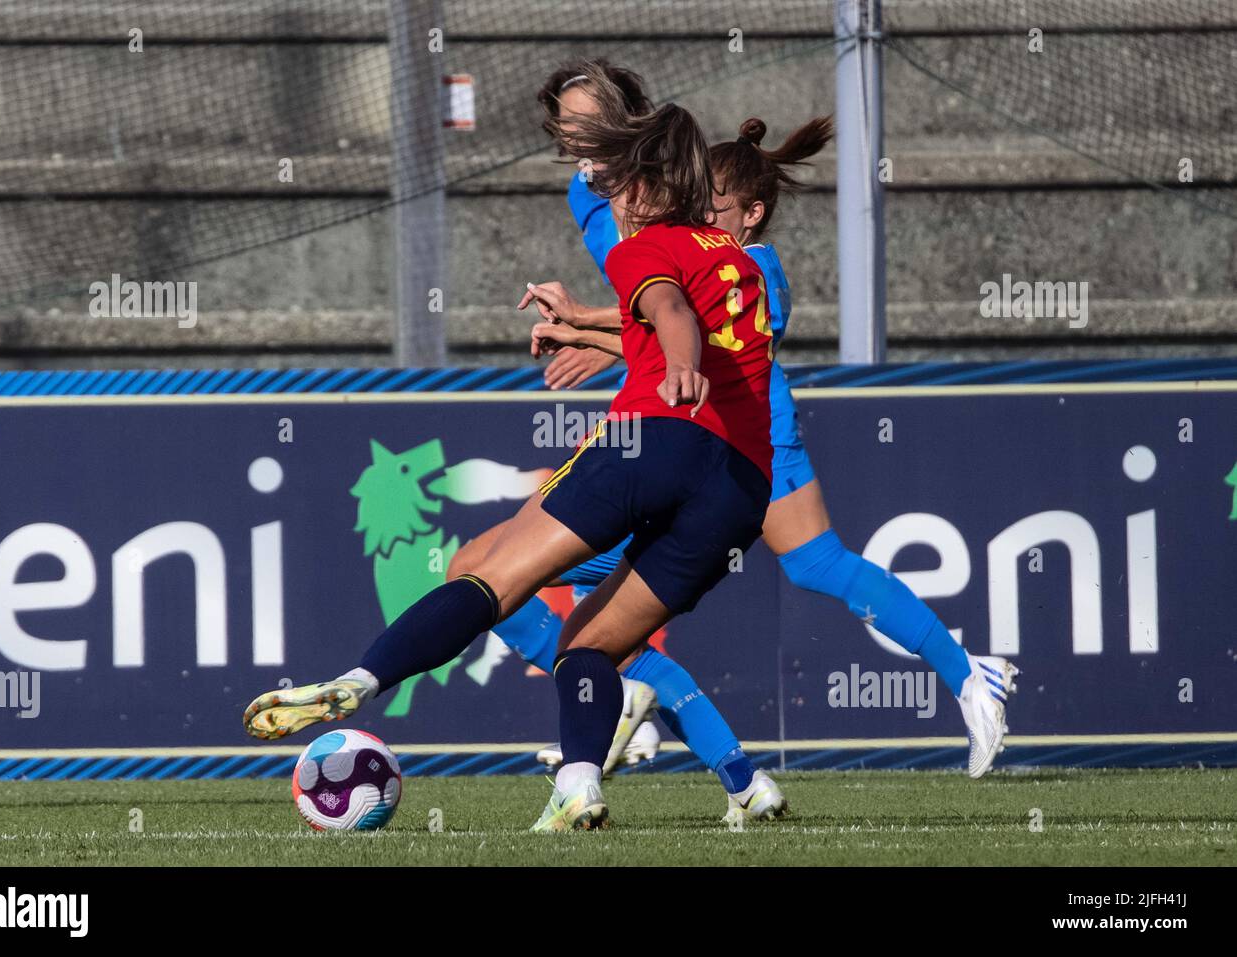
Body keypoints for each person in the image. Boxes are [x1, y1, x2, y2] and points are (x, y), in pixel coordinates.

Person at [244, 62, 776, 833]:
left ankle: (357, 682)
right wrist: (615, 332)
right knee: (588, 641)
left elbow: (665, 306)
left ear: (637, 188)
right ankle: (580, 785)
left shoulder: (643, 246)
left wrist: (678, 355)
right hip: (737, 487)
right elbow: (684, 318)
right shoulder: (735, 258)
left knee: (489, 574)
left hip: (653, 438)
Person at [520, 67, 1018, 780]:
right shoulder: (613, 205)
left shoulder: (748, 265)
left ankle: (969, 673)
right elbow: (660, 314)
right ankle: (624, 700)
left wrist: (588, 326)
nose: (698, 212)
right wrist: (599, 340)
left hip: (742, 434)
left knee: (815, 562)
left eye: (587, 119)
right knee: (544, 568)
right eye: (566, 124)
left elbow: (689, 317)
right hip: (678, 428)